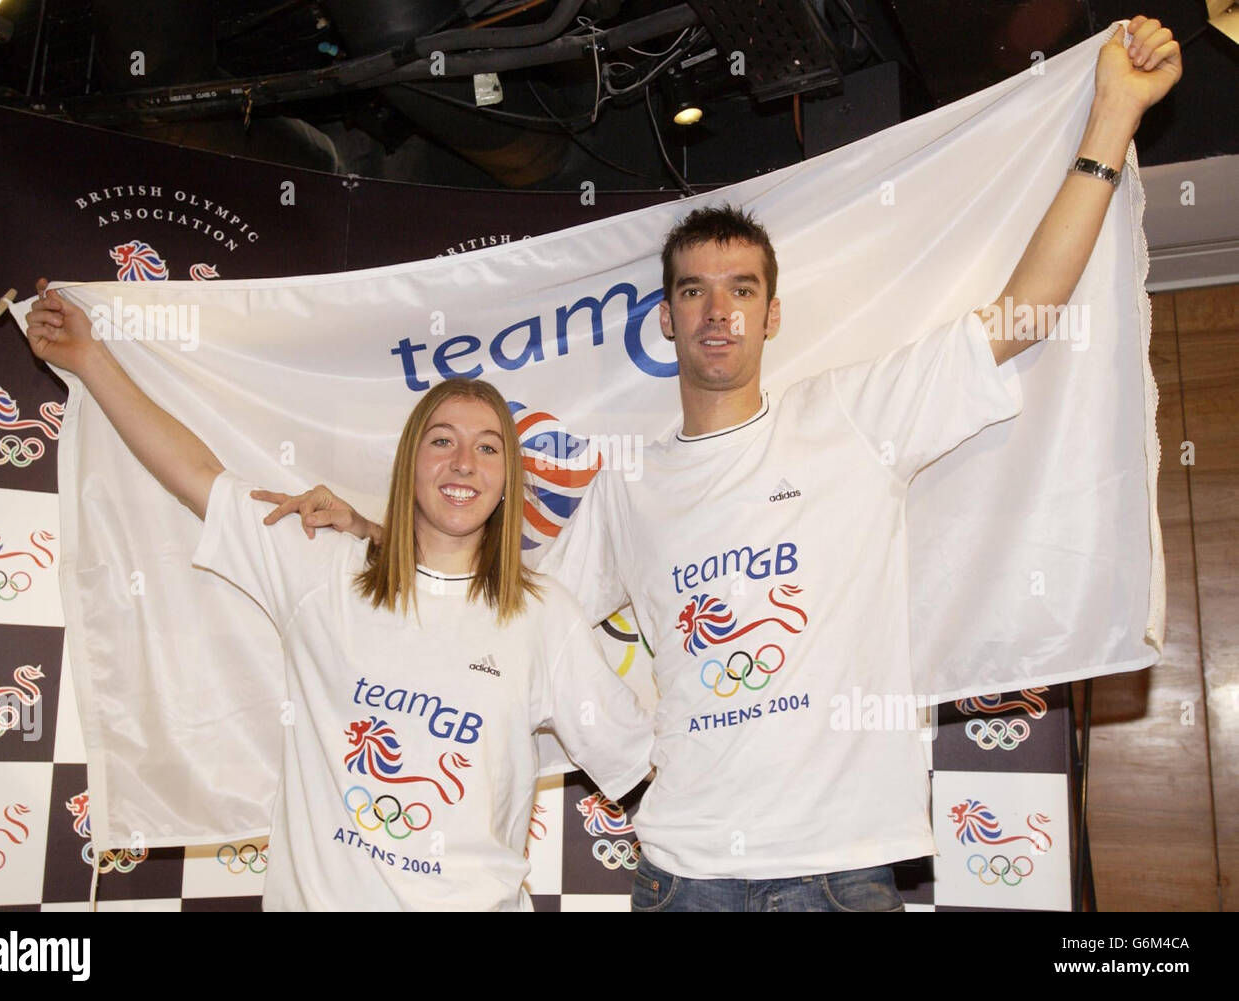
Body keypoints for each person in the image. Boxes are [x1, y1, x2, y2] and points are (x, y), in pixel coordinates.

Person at [266, 17, 1181, 911]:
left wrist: (1111, 121)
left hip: (843, 867)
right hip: (683, 869)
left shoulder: (855, 415)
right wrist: (378, 529)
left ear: (771, 315)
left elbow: (1024, 314)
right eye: (694, 291)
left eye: (742, 290)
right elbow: (502, 597)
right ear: (666, 319)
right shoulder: (628, 484)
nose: (717, 312)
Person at [21, 283, 654, 910]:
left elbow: (639, 763)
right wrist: (92, 360)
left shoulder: (543, 619)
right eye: (442, 440)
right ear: (410, 462)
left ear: (508, 480)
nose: (464, 462)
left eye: (488, 448)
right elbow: (197, 477)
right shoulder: (320, 568)